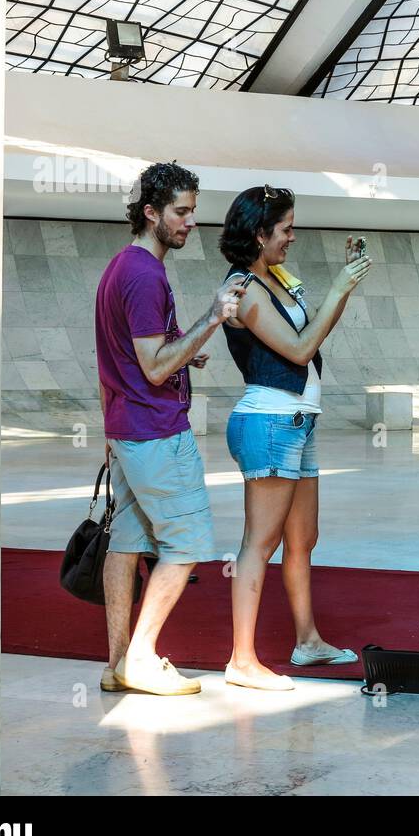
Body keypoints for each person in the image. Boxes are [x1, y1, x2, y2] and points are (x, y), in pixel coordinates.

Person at [96, 161, 246, 696]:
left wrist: (185, 355)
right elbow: (155, 367)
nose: (190, 223)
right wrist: (212, 318)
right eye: (181, 212)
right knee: (185, 545)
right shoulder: (143, 274)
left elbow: (135, 357)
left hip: (128, 429)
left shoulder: (120, 267)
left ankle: (117, 664)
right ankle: (139, 659)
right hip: (157, 433)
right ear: (151, 212)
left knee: (126, 544)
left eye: (193, 212)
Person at [217, 185, 373, 691]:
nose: (292, 236)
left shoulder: (273, 279)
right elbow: (301, 349)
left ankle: (307, 641)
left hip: (298, 421)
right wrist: (338, 287)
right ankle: (242, 660)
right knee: (257, 545)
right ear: (259, 233)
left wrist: (342, 289)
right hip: (269, 421)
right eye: (285, 228)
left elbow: (312, 331)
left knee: (303, 539)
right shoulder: (244, 289)